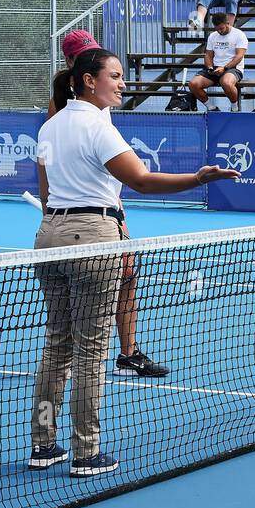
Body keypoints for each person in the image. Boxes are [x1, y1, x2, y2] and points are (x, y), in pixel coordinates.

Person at [30, 48, 238, 477]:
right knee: (90, 351)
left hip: (49, 236)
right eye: (115, 76)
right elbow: (141, 180)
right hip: (93, 239)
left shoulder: (49, 126)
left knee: (56, 345)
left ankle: (43, 443)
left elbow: (47, 193)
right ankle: (86, 453)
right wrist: (199, 178)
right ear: (89, 81)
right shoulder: (98, 127)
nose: (123, 83)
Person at [46, 29, 166, 379]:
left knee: (127, 273)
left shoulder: (99, 106)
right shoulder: (64, 107)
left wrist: (118, 212)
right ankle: (64, 356)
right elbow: (56, 163)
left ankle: (128, 352)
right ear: (73, 64)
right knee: (79, 291)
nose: (118, 82)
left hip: (108, 209)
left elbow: (107, 165)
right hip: (79, 218)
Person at [189, 13, 248, 111]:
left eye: (221, 28)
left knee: (226, 83)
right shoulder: (213, 36)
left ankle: (234, 108)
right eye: (217, 29)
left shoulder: (239, 35)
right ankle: (212, 108)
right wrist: (210, 68)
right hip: (215, 68)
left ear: (228, 23)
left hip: (233, 68)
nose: (219, 31)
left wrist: (225, 68)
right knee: (193, 84)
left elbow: (239, 56)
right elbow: (208, 55)